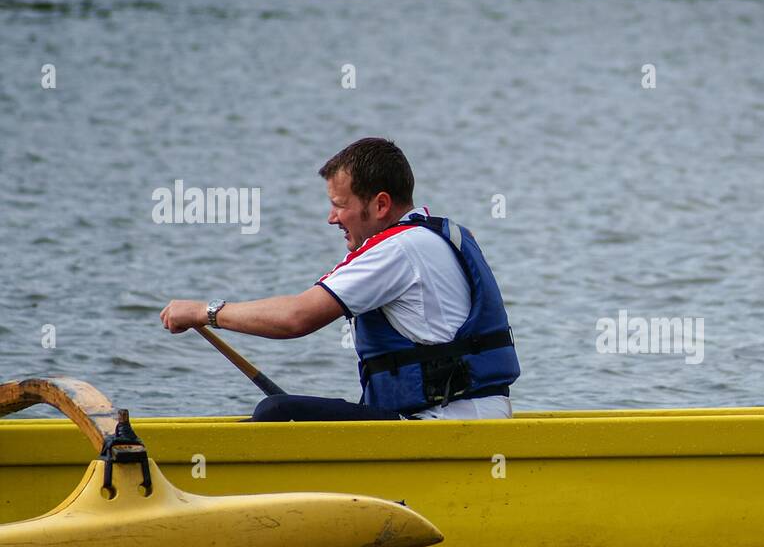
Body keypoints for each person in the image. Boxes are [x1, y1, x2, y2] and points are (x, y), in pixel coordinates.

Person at [160, 137, 519, 421]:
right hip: (466, 416)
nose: (332, 218)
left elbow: (295, 318)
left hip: (444, 425)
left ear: (380, 205)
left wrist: (204, 312)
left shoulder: (399, 249)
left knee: (279, 413)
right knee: (294, 412)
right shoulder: (430, 237)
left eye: (339, 204)